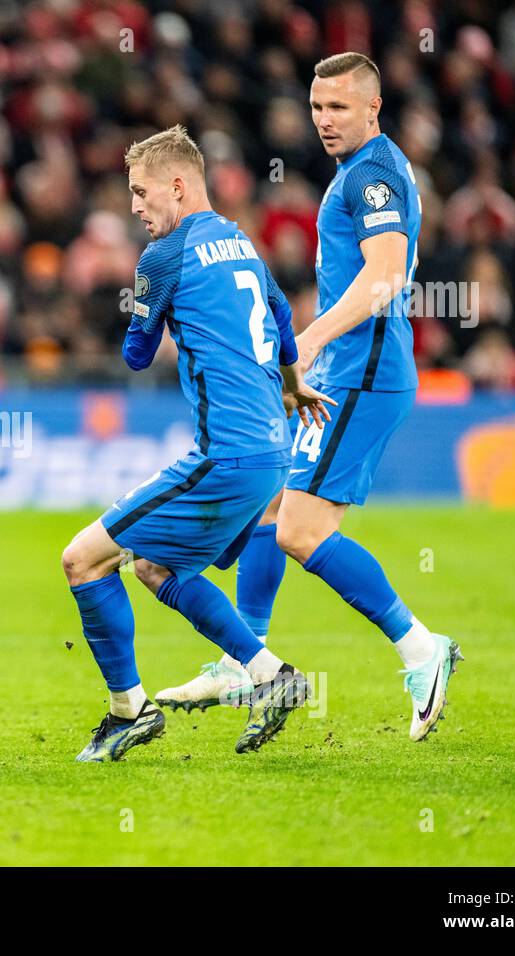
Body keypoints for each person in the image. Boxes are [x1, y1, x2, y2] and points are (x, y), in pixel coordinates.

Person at [157, 53, 462, 741]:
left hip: (362, 374)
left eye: (339, 108)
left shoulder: (374, 175)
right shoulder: (358, 172)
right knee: (270, 501)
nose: (324, 120)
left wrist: (314, 339)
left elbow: (384, 276)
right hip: (342, 374)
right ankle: (246, 663)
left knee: (301, 529)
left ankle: (421, 648)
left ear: (372, 109)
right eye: (318, 107)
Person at [60, 126, 335, 761]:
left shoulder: (162, 256)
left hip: (227, 453)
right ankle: (272, 676)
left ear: (177, 187)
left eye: (140, 191)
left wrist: (141, 305)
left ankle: (128, 711)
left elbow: (134, 357)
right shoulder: (242, 242)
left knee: (81, 560)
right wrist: (293, 387)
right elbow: (287, 334)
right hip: (272, 450)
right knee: (157, 566)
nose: (134, 206)